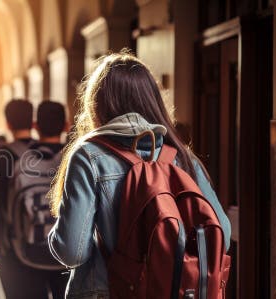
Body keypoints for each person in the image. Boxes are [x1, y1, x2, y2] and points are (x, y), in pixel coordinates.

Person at [47, 52, 231, 298]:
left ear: (97, 104)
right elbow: (223, 235)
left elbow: (72, 250)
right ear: (152, 100)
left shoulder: (89, 155)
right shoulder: (182, 157)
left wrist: (54, 235)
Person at [0, 99, 67, 299]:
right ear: (66, 125)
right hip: (65, 247)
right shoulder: (74, 155)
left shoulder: (9, 155)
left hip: (17, 247)